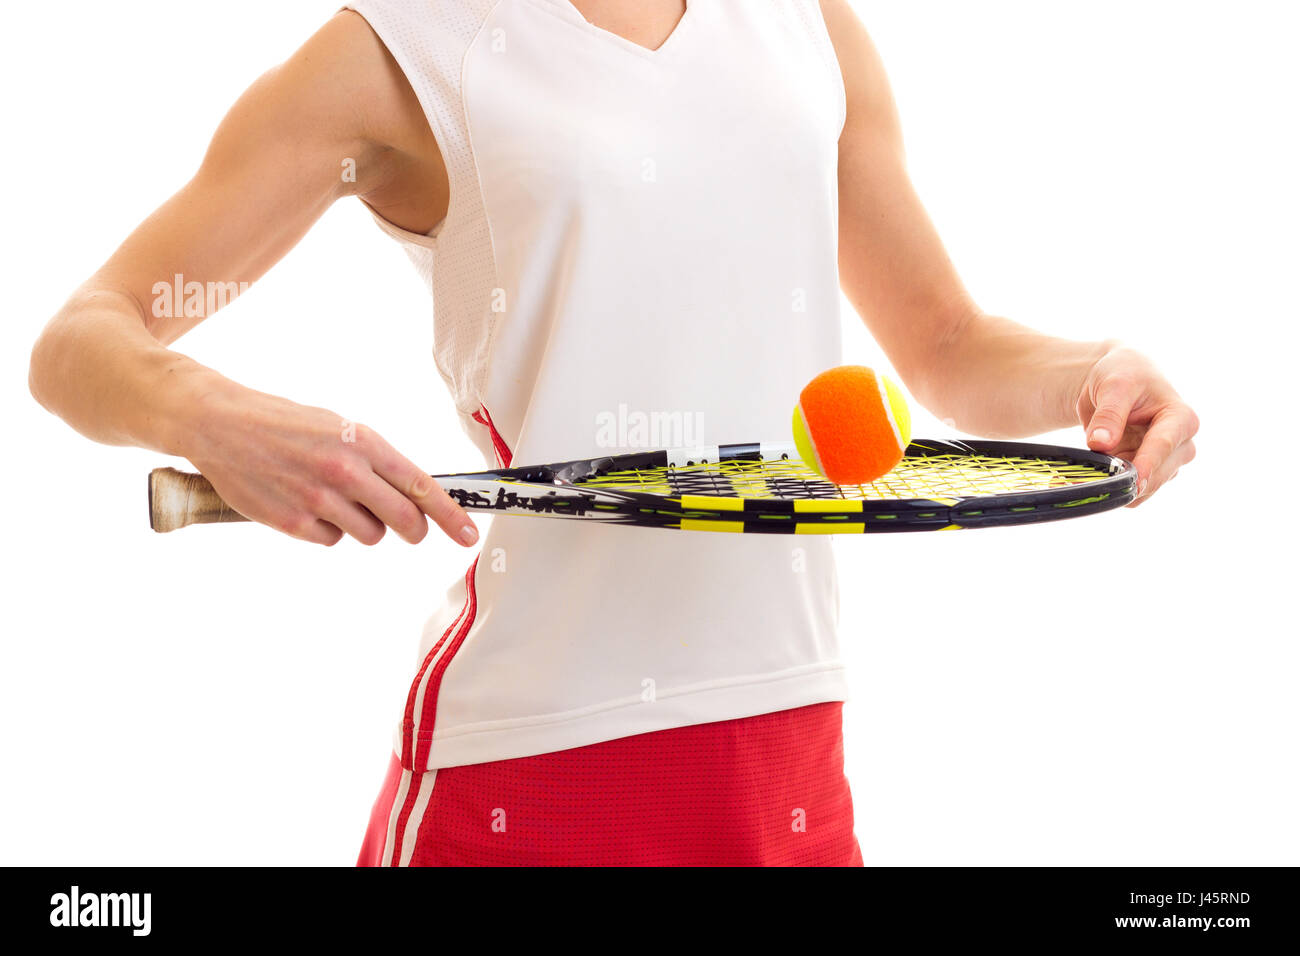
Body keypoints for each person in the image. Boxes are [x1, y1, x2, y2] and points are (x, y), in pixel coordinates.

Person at [28, 0, 1198, 866]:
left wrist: (1090, 376)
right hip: (530, 769)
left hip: (790, 753)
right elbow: (81, 337)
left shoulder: (806, 25)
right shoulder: (402, 46)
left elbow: (946, 342)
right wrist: (212, 413)